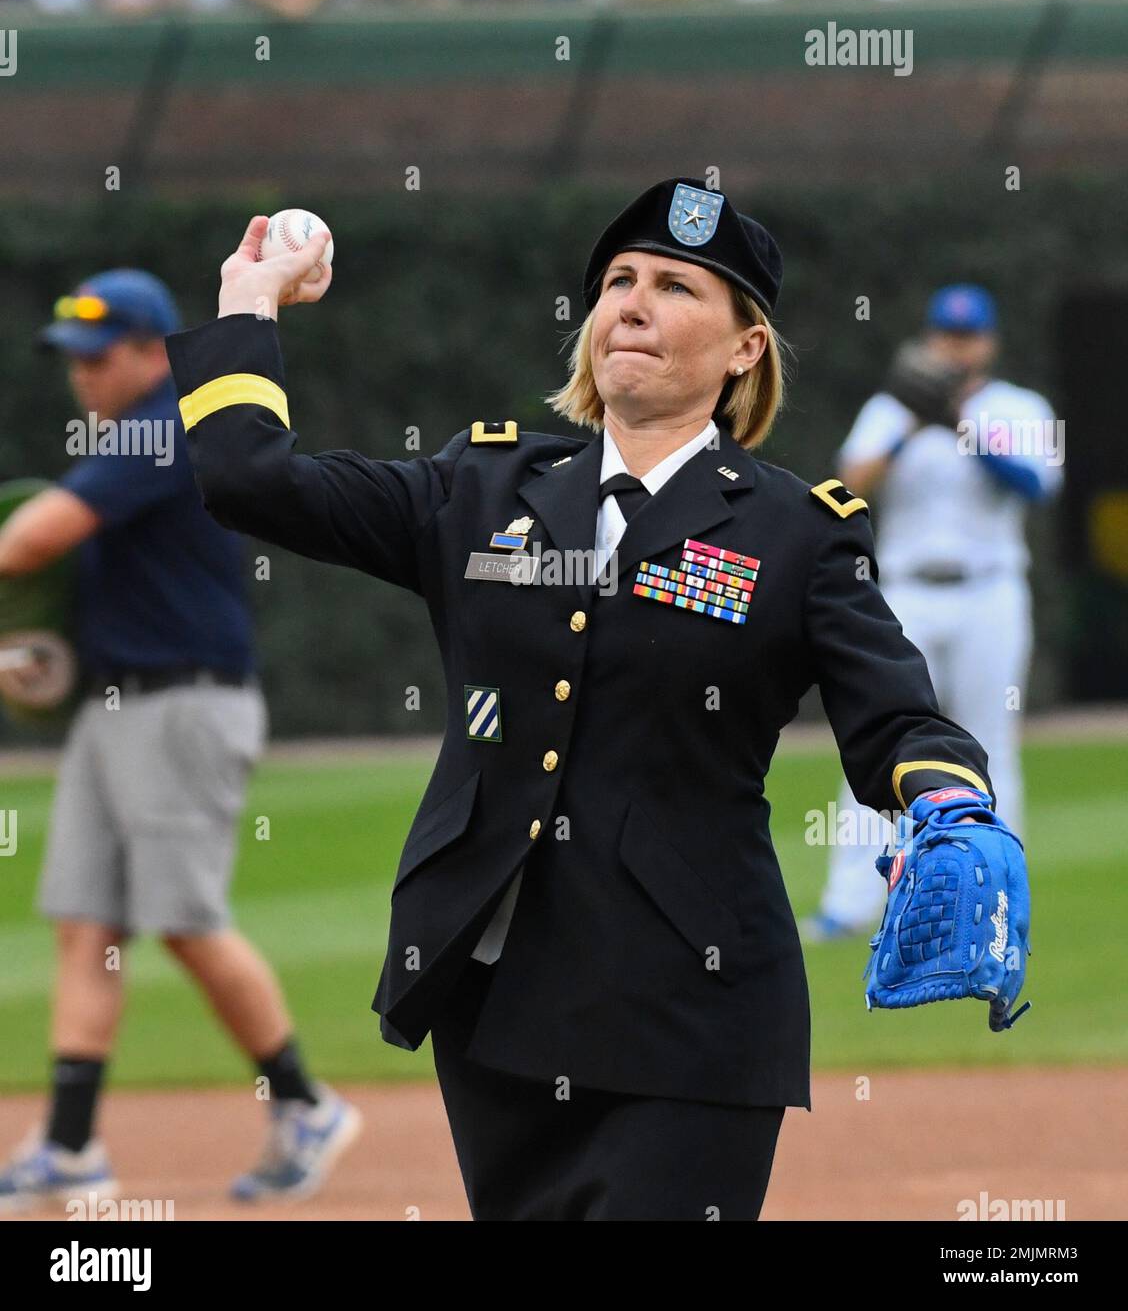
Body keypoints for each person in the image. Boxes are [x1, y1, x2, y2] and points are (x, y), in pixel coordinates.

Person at [164, 178, 1024, 1221]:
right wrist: (246, 304)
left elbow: (893, 713)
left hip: (692, 1011)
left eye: (674, 286)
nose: (632, 301)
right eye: (619, 280)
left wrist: (948, 797)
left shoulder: (799, 531)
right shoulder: (475, 490)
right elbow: (250, 479)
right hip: (494, 1004)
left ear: (747, 346)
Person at [0, 270, 359, 1212]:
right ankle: (71, 1148)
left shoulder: (165, 425)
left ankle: (305, 1103)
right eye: (71, 358)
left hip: (185, 708)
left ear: (150, 352)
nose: (81, 375)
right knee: (89, 923)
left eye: (97, 354)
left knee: (185, 921)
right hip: (117, 709)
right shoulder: (127, 438)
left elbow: (32, 536)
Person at [803, 285, 1062, 942]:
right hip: (907, 595)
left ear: (990, 342)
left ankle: (998, 898)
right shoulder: (891, 409)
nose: (957, 345)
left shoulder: (1015, 407)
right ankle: (848, 904)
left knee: (990, 744)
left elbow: (1037, 484)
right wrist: (913, 427)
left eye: (968, 335)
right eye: (946, 335)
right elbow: (845, 485)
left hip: (990, 591)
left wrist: (960, 423)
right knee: (876, 745)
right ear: (929, 339)